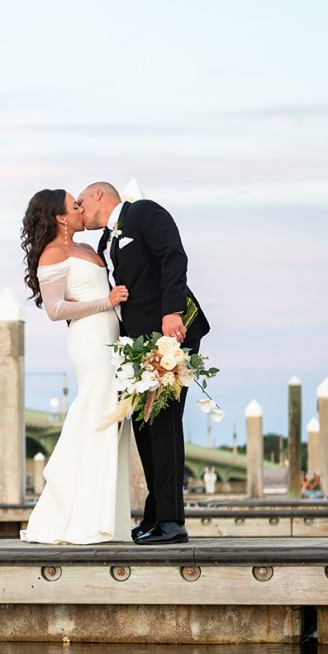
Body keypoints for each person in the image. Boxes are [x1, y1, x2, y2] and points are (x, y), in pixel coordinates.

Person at [76, 181, 210, 545]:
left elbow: (173, 256)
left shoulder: (144, 212)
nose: (78, 208)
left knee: (164, 427)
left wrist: (172, 312)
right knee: (144, 430)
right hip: (135, 350)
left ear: (99, 195)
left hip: (170, 338)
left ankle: (172, 521)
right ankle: (155, 515)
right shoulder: (105, 241)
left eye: (80, 200)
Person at [19, 189, 133, 544]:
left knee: (111, 416)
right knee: (96, 412)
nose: (81, 209)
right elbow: (54, 310)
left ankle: (104, 515)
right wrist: (106, 301)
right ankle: (78, 515)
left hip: (111, 337)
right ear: (60, 217)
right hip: (89, 340)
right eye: (74, 205)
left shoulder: (88, 248)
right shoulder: (54, 253)